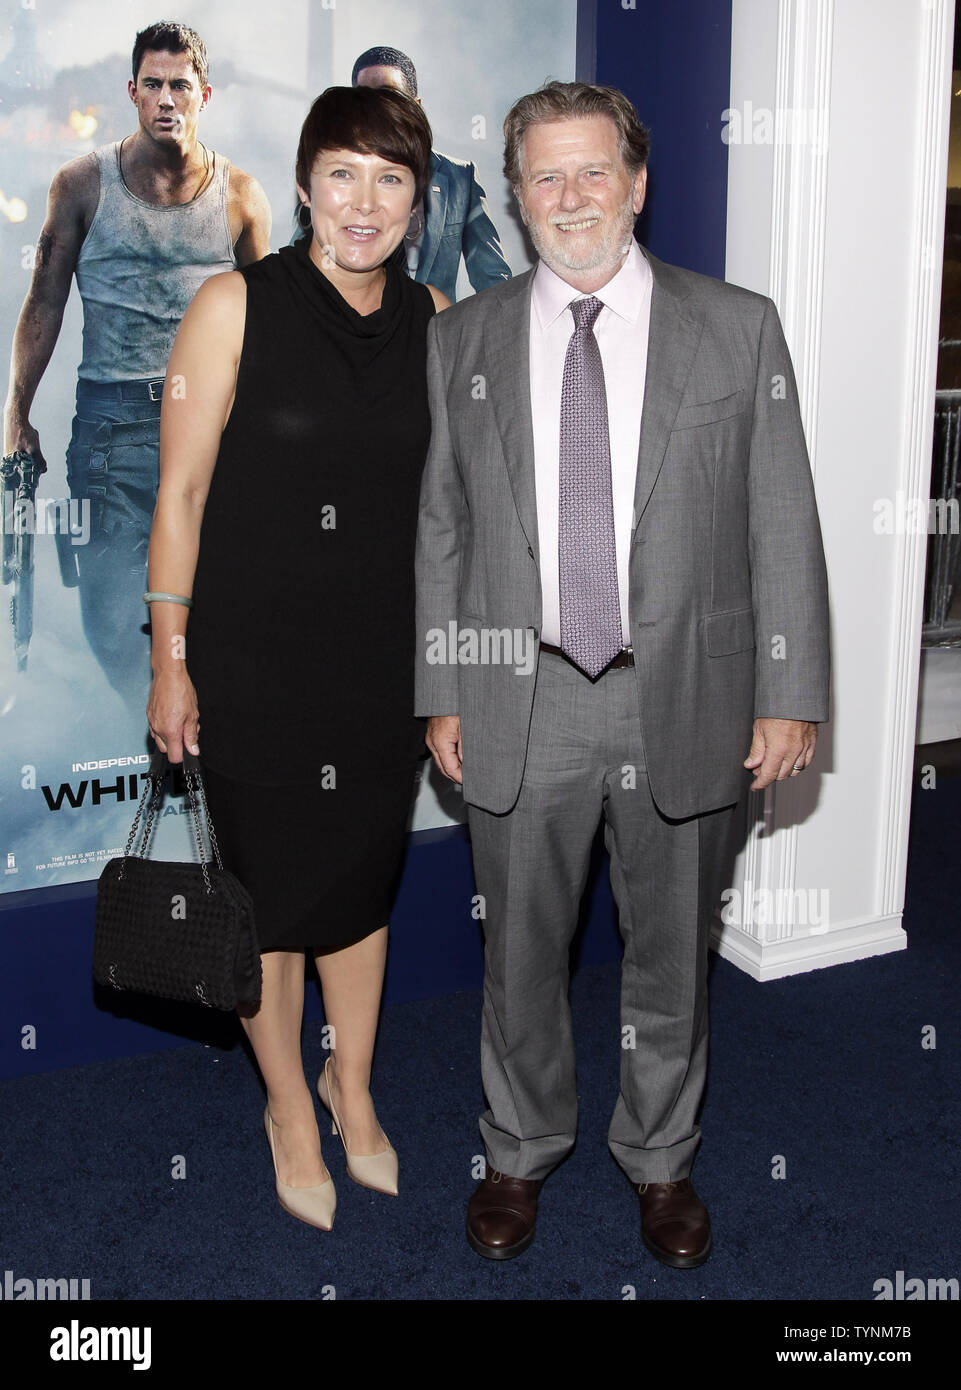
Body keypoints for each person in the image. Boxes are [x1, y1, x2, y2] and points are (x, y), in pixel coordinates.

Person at [415, 81, 830, 1264]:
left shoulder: (736, 326)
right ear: (515, 194)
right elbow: (439, 525)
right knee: (520, 948)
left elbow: (781, 518)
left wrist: (789, 687)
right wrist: (443, 683)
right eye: (543, 176)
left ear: (637, 184)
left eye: (593, 171)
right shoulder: (464, 336)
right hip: (521, 691)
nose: (569, 196)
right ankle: (517, 1145)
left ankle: (659, 1159)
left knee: (670, 952)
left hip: (684, 690)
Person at [145, 84, 448, 1231]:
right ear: (307, 181)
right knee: (270, 897)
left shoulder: (431, 316)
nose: (362, 201)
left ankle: (351, 1087)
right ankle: (285, 1103)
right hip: (253, 656)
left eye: (389, 179)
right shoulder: (235, 305)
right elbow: (176, 495)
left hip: (379, 661)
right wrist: (170, 659)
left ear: (415, 202)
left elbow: (447, 513)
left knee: (360, 884)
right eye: (341, 174)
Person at [1, 21, 270, 702]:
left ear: (203, 92)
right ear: (132, 92)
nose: (166, 99)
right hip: (110, 427)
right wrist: (16, 415)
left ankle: (206, 747)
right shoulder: (80, 185)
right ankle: (140, 729)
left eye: (180, 84)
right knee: (111, 610)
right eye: (152, 84)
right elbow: (43, 302)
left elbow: (266, 322)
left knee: (215, 600)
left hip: (211, 423)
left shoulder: (241, 195)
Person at [350, 45, 511, 302]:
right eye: (363, 97)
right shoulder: (333, 178)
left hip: (434, 336)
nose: (376, 108)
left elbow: (492, 279)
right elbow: (301, 272)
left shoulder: (460, 178)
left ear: (416, 106)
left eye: (389, 95)